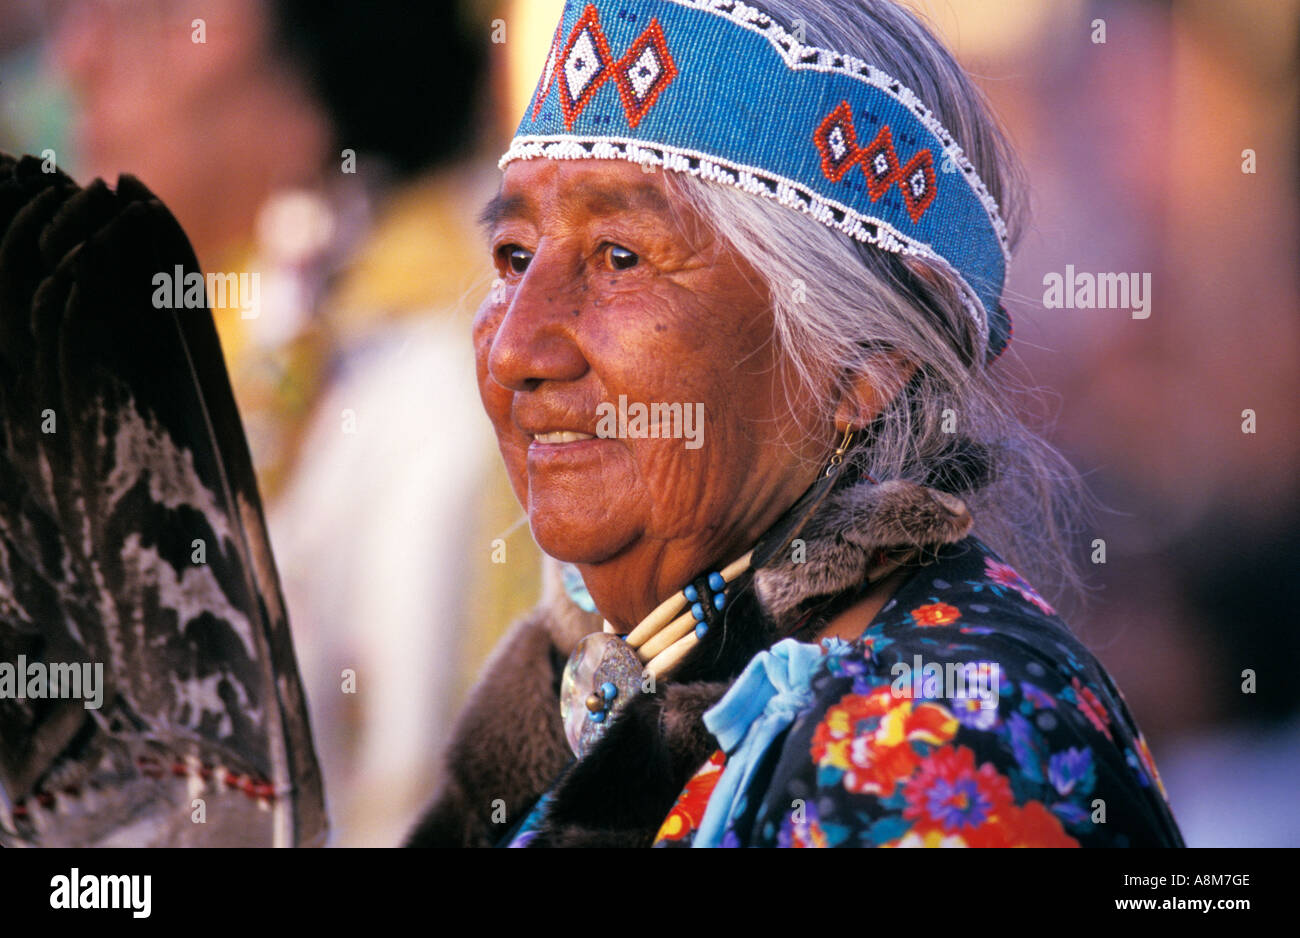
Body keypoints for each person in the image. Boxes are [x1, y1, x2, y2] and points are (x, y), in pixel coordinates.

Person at [407, 0, 1185, 848]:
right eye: (513, 257)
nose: (517, 345)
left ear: (862, 366)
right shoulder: (588, 684)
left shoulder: (935, 751)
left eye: (620, 258)